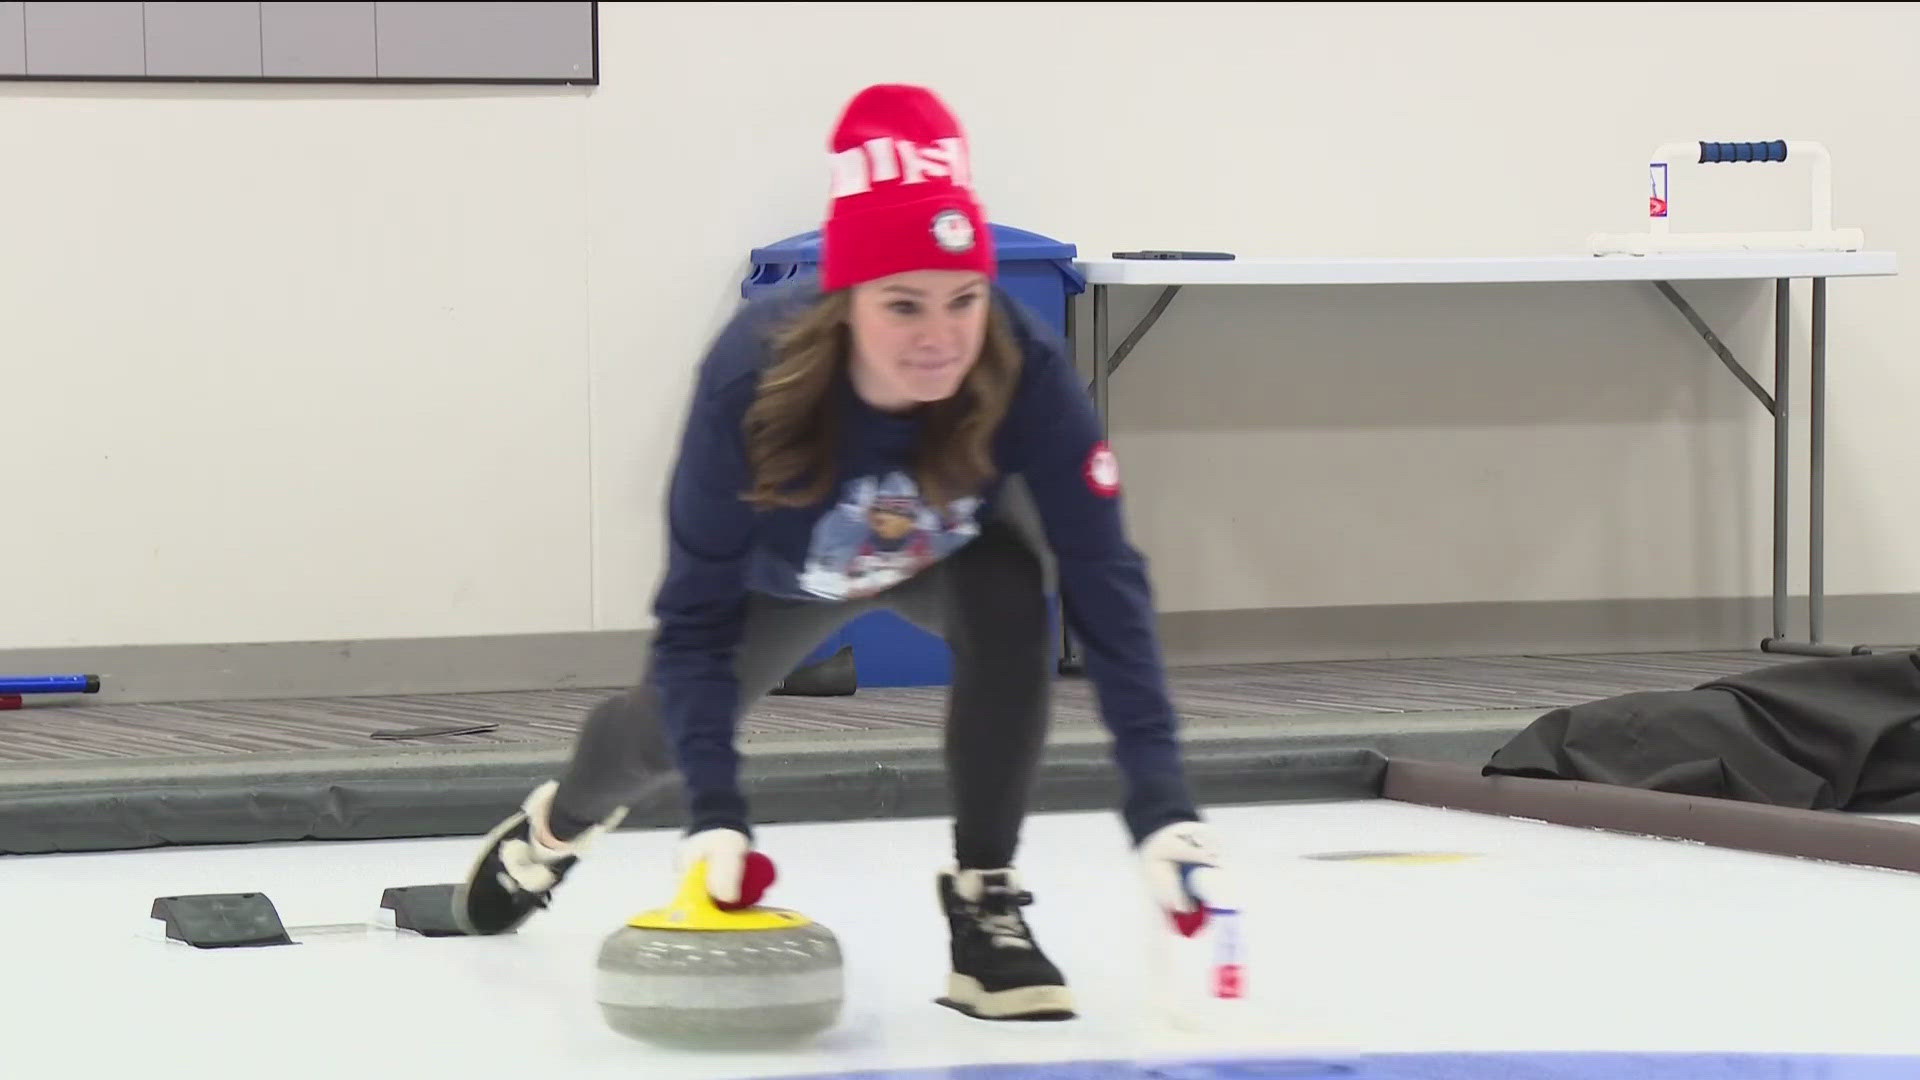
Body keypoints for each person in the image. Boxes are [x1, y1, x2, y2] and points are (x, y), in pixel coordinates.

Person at [453, 83, 1223, 1021]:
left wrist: (1161, 804)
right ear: (848, 300)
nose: (941, 339)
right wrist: (717, 817)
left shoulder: (1020, 364)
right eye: (904, 305)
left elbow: (1107, 578)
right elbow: (692, 622)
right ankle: (553, 828)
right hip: (784, 583)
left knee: (1018, 597)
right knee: (656, 734)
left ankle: (985, 906)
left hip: (949, 554)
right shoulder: (750, 374)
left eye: (964, 299)